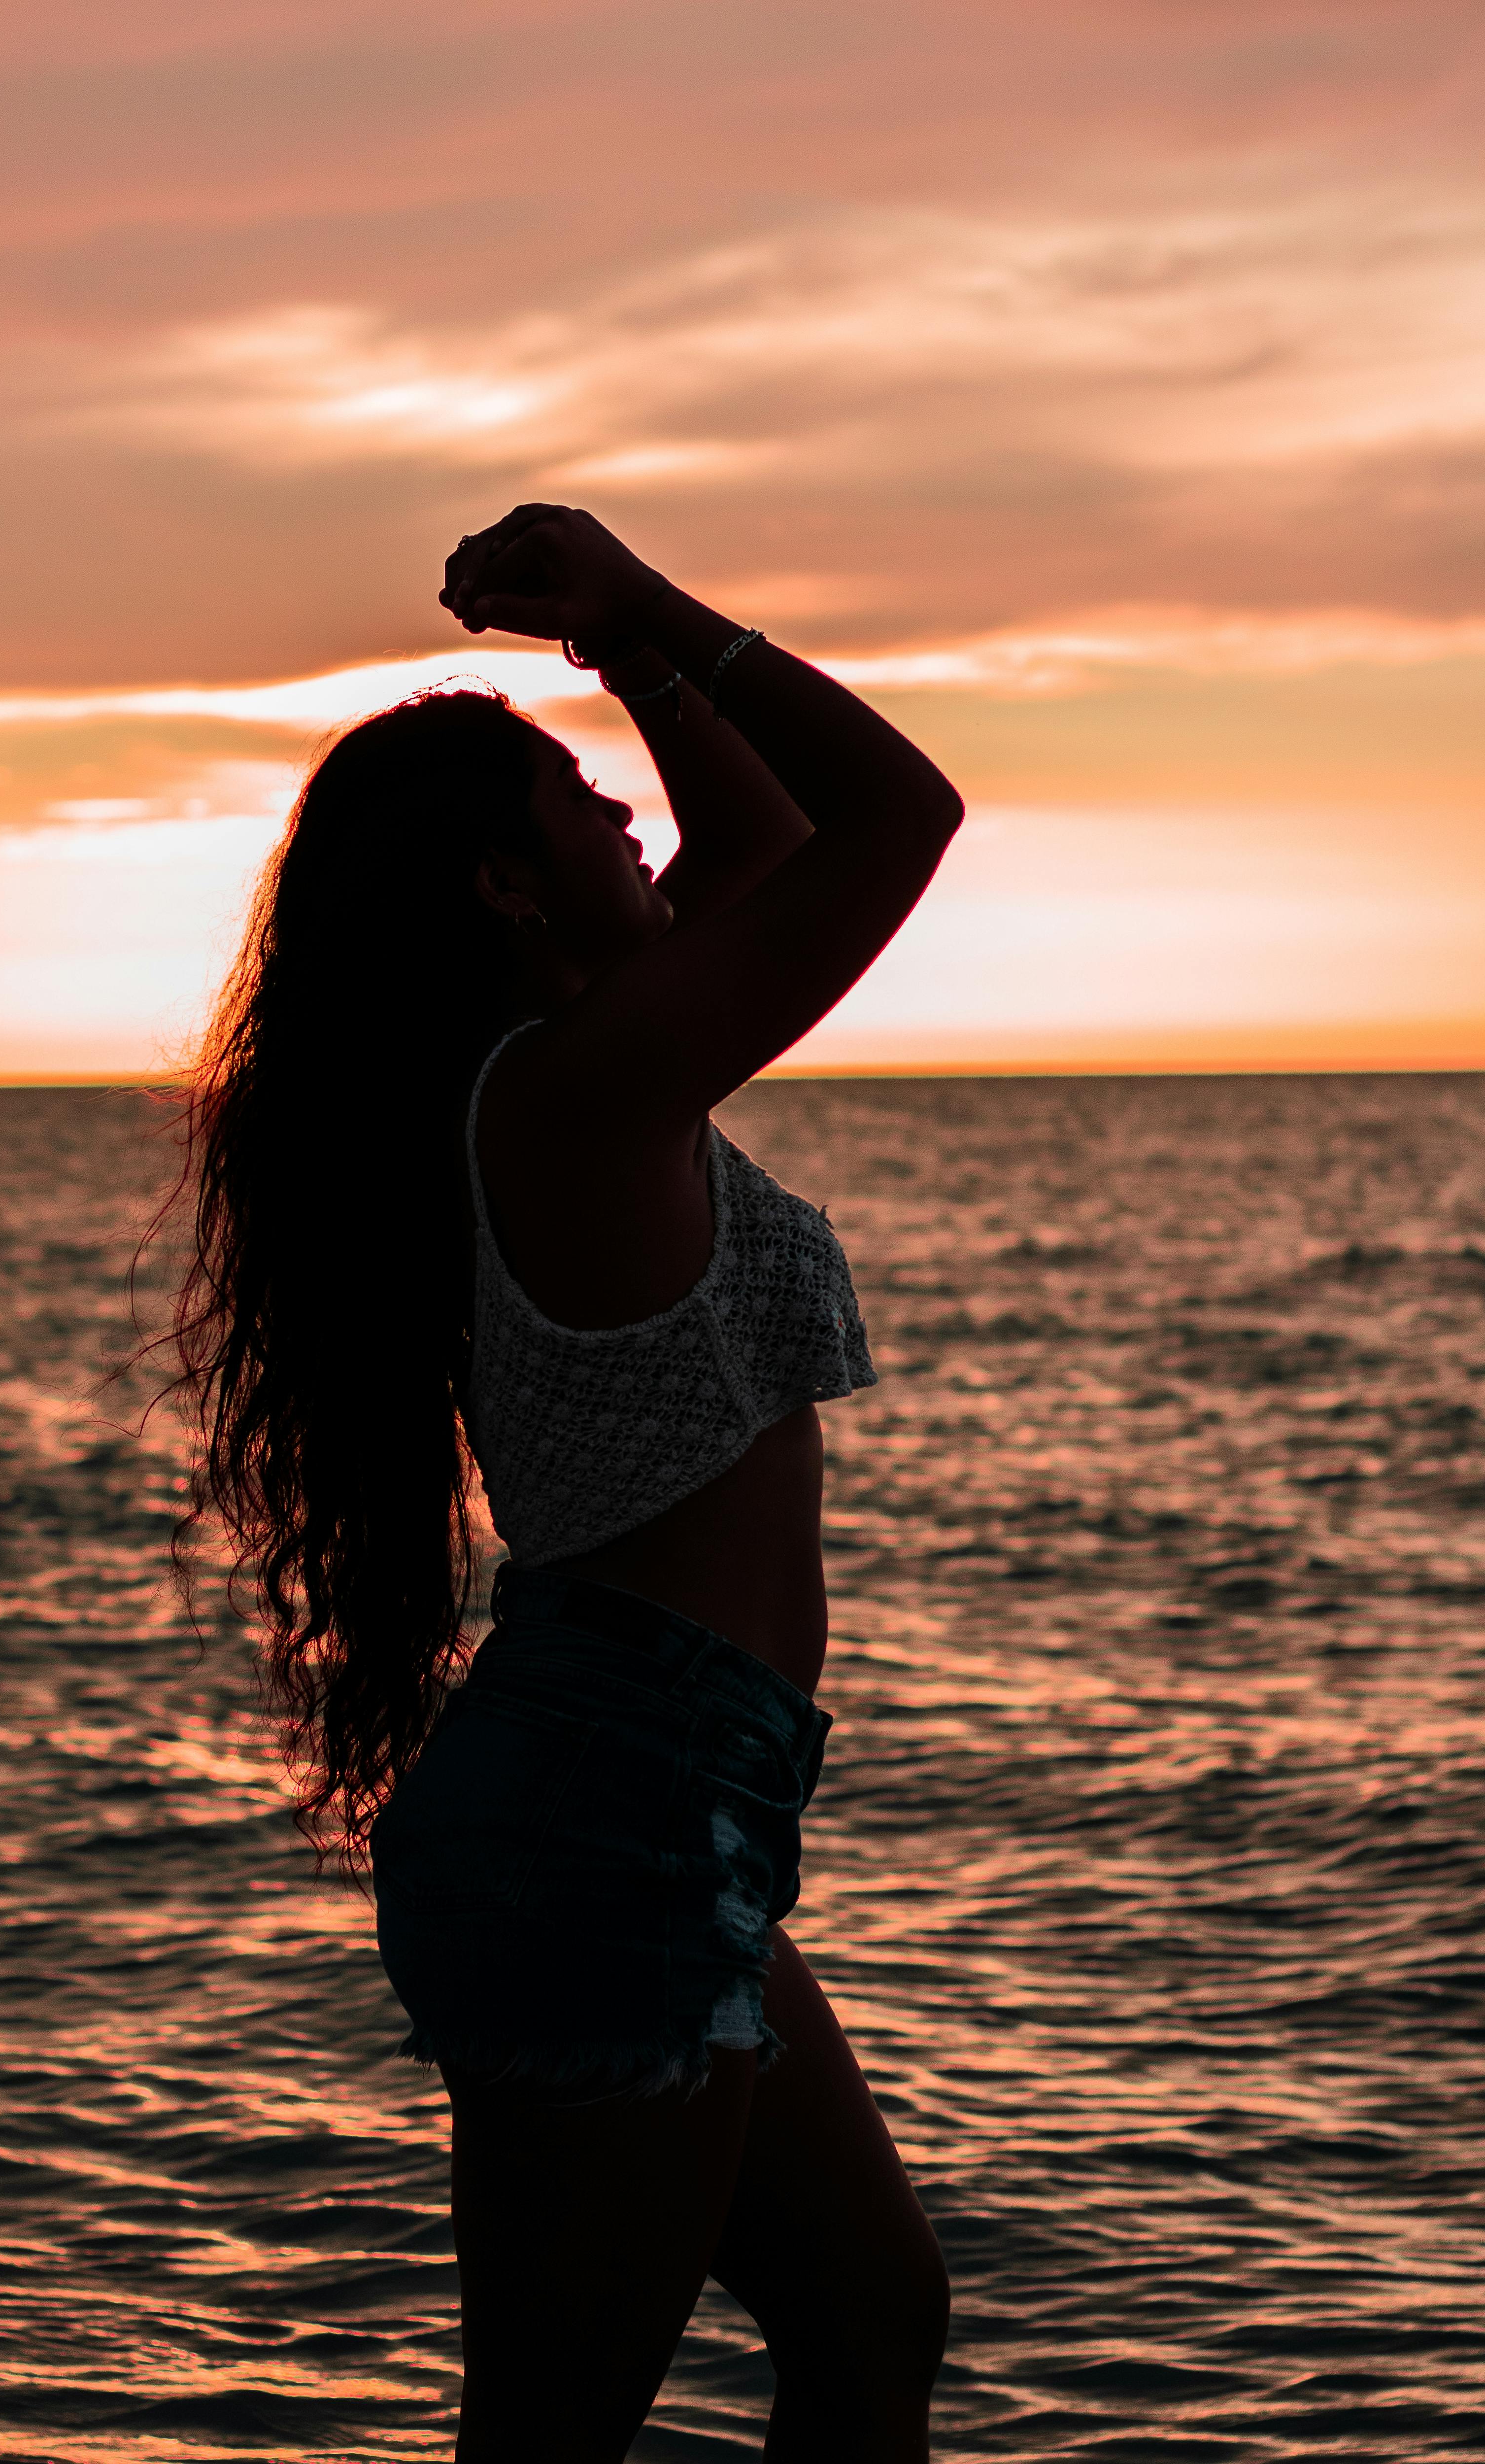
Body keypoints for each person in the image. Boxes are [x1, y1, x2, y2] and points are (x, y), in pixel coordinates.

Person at [164, 504, 963, 2460]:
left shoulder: (580, 1077)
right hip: (614, 1807)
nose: (635, 817)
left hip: (670, 1798)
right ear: (509, 891)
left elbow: (768, 850)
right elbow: (893, 821)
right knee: (551, 2437)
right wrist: (635, 603)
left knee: (871, 2321)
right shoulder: (570, 1096)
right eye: (585, 800)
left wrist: (631, 660)